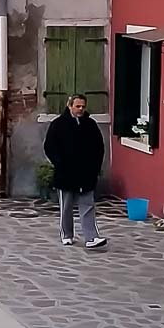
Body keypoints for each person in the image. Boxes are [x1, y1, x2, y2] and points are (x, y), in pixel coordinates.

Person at [43, 93, 107, 250]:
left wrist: (95, 168)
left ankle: (91, 237)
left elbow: (99, 148)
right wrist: (59, 164)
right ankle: (67, 235)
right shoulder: (58, 124)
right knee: (66, 207)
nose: (80, 109)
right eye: (77, 106)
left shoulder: (90, 125)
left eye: (83, 106)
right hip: (66, 174)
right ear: (70, 106)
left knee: (88, 206)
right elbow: (49, 146)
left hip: (86, 174)